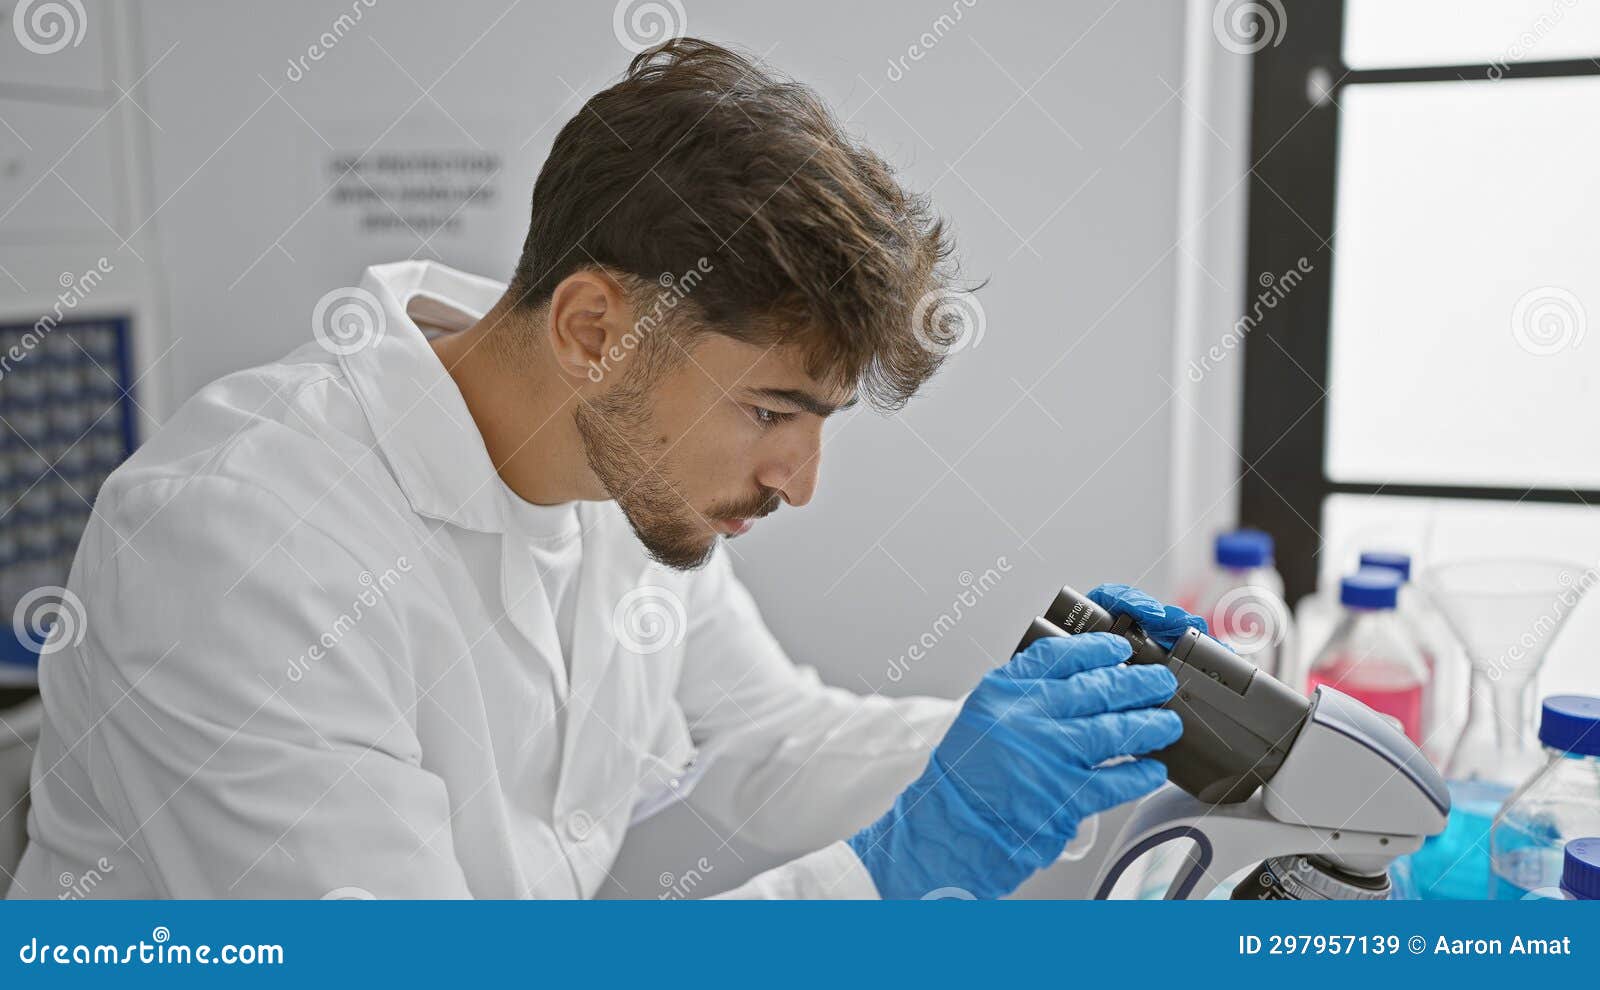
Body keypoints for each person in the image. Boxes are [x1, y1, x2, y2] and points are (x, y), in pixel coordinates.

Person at [8, 39, 1193, 900]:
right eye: (774, 408)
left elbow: (756, 740)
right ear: (592, 330)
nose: (798, 479)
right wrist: (894, 871)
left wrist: (1057, 736)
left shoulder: (625, 480)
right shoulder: (243, 540)